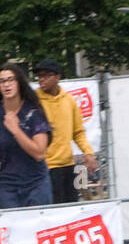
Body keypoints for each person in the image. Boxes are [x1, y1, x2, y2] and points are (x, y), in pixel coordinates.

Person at [0, 63, 52, 210]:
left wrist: (16, 130)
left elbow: (39, 153)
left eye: (11, 80)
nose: (7, 84)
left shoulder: (34, 113)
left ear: (19, 82)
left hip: (36, 184)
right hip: (9, 187)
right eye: (2, 81)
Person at [34, 58, 98, 203]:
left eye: (45, 75)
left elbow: (78, 132)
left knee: (71, 208)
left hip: (68, 166)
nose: (41, 80)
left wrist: (88, 153)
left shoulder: (69, 100)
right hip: (44, 168)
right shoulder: (34, 101)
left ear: (57, 77)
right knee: (52, 212)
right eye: (39, 76)